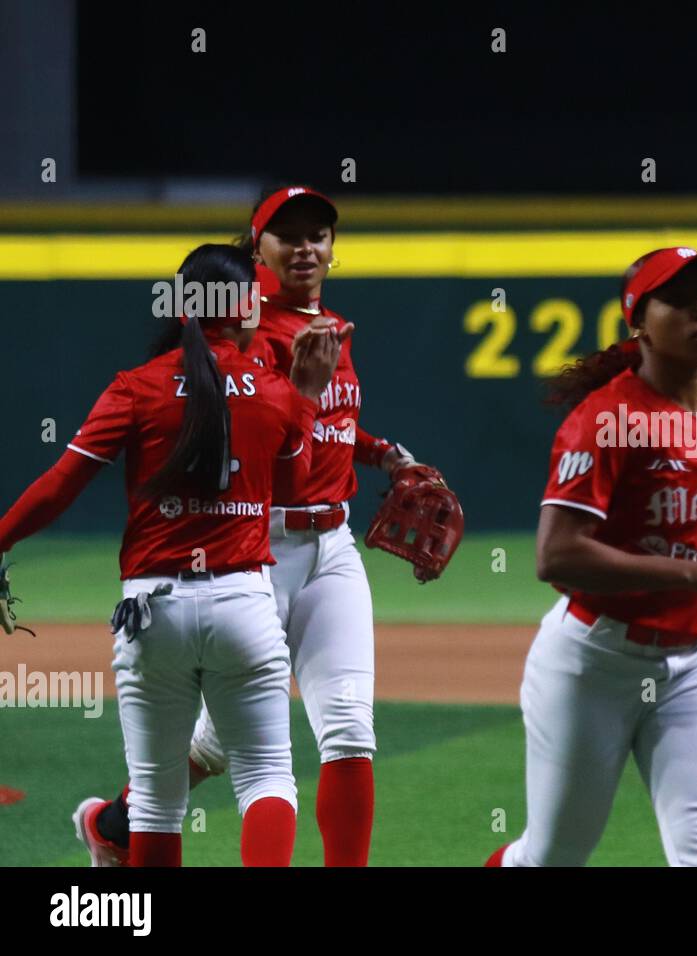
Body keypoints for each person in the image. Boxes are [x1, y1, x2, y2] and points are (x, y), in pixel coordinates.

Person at [77, 186, 442, 867]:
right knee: (227, 746)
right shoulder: (244, 333)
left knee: (350, 728)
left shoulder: (328, 326)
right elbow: (274, 426)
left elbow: (325, 421)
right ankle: (125, 824)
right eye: (288, 236)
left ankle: (124, 826)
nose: (306, 247)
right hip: (255, 544)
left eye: (318, 235)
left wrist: (381, 452)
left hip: (331, 546)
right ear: (257, 249)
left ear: (334, 248)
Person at [0, 244, 342, 866]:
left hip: (151, 610)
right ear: (241, 308)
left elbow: (59, 486)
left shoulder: (138, 386)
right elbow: (294, 490)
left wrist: (0, 538)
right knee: (267, 780)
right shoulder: (273, 390)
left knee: (155, 803)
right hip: (244, 603)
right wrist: (307, 396)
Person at [486, 246, 697, 867]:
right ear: (638, 321)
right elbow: (556, 556)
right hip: (594, 663)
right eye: (680, 304)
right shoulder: (605, 420)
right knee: (555, 855)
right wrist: (693, 571)